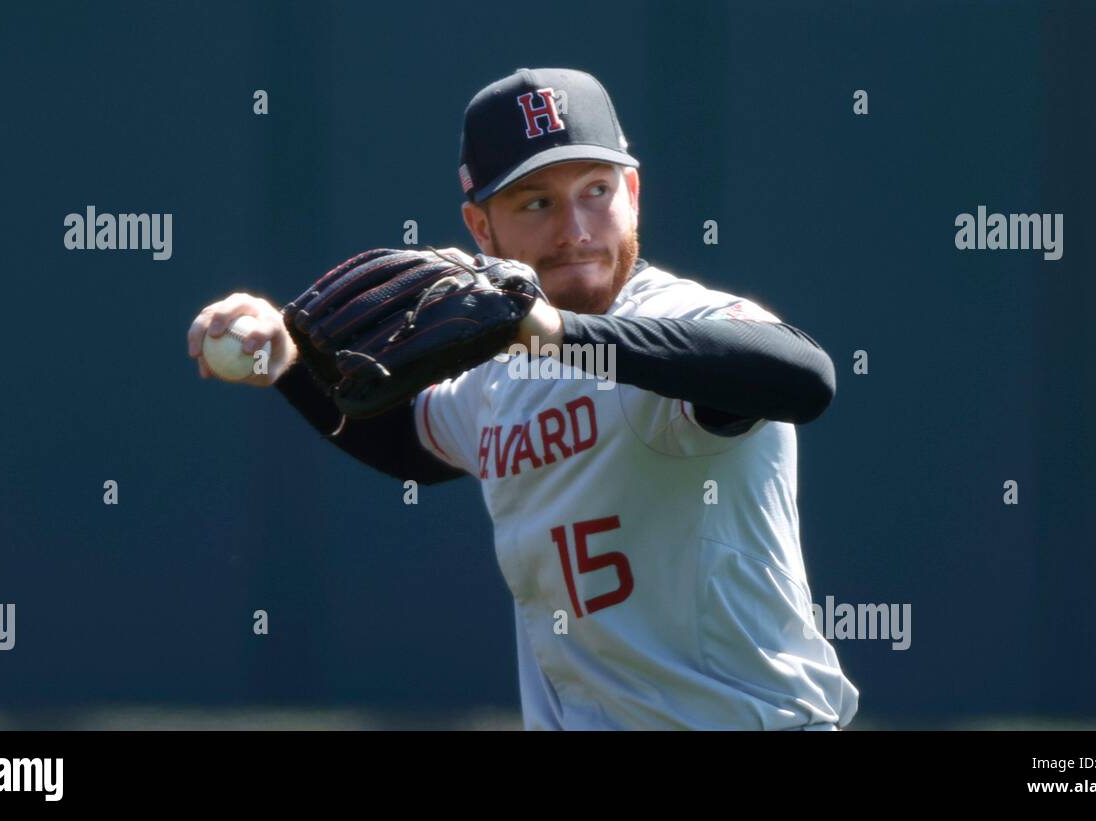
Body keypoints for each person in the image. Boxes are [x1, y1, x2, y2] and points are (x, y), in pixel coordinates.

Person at [187, 67, 859, 730]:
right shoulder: (501, 365)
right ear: (481, 227)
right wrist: (291, 366)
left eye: (596, 189)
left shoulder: (682, 320)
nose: (575, 228)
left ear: (633, 189)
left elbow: (803, 377)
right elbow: (411, 443)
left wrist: (560, 332)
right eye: (536, 201)